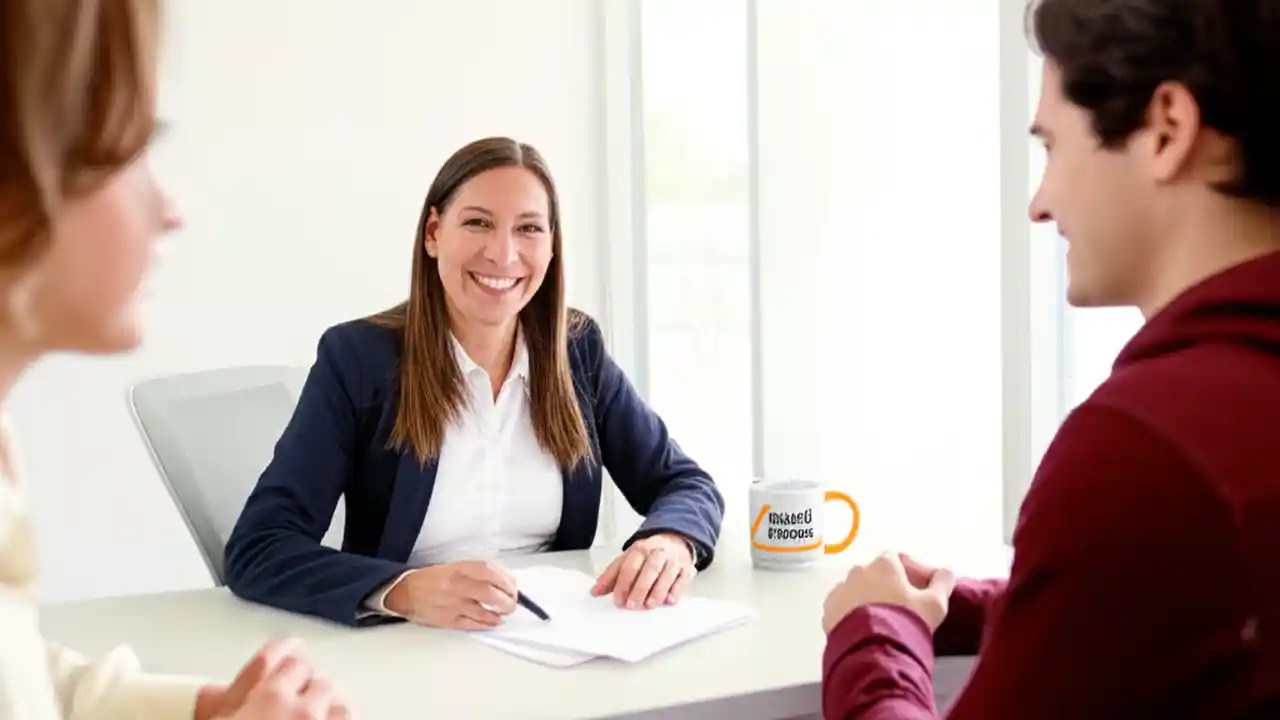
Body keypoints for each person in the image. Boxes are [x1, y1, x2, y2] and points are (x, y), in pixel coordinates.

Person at [821, 0, 1280, 717]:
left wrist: (874, 632)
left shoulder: (1149, 450)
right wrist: (1013, 603)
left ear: (1167, 129)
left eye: (1053, 148)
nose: (1039, 203)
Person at [0, 1, 351, 718]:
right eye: (133, 149)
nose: (171, 209)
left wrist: (198, 709)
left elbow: (19, 671)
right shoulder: (361, 355)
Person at [223, 136, 724, 629]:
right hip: (410, 646)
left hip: (550, 640)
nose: (503, 255)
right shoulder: (358, 358)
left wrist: (670, 540)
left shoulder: (576, 351)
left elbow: (686, 484)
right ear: (434, 233)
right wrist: (401, 590)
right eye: (478, 223)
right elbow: (260, 546)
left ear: (551, 247)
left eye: (528, 228)